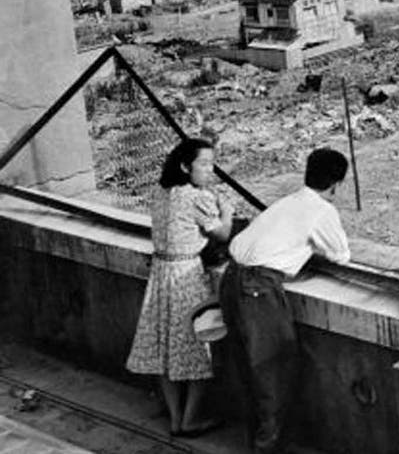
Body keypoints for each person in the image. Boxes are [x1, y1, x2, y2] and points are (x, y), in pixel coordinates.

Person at [220, 147, 352, 454]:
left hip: (231, 277)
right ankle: (267, 448)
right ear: (335, 184)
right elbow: (341, 255)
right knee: (273, 370)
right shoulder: (323, 210)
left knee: (247, 370)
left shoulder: (286, 201)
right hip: (259, 287)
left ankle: (256, 442)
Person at [126, 136, 233, 437]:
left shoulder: (160, 191)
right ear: (187, 166)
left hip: (160, 273)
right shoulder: (198, 197)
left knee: (165, 350)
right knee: (200, 345)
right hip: (186, 274)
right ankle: (190, 419)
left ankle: (175, 418)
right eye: (204, 164)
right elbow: (223, 234)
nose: (210, 170)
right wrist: (226, 210)